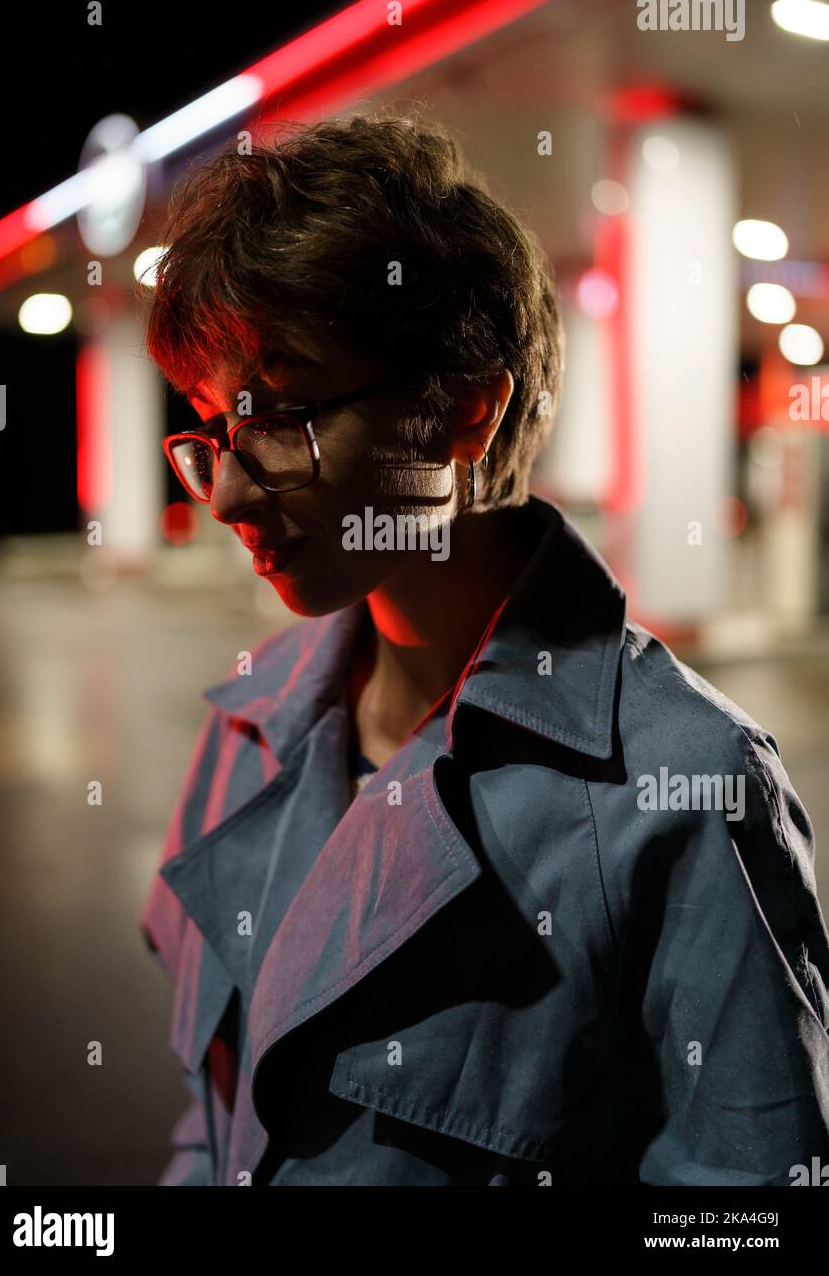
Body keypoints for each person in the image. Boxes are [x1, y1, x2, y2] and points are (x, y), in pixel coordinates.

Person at [138, 109, 829, 1186]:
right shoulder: (247, 725)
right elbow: (212, 1122)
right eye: (211, 424)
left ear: (461, 412)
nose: (226, 488)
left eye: (279, 413)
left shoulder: (679, 789)